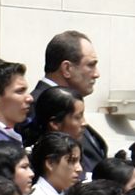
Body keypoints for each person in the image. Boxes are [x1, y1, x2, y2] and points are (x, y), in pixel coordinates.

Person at [35, 30, 107, 171]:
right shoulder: (35, 105)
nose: (97, 74)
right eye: (90, 65)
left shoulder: (73, 103)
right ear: (67, 68)